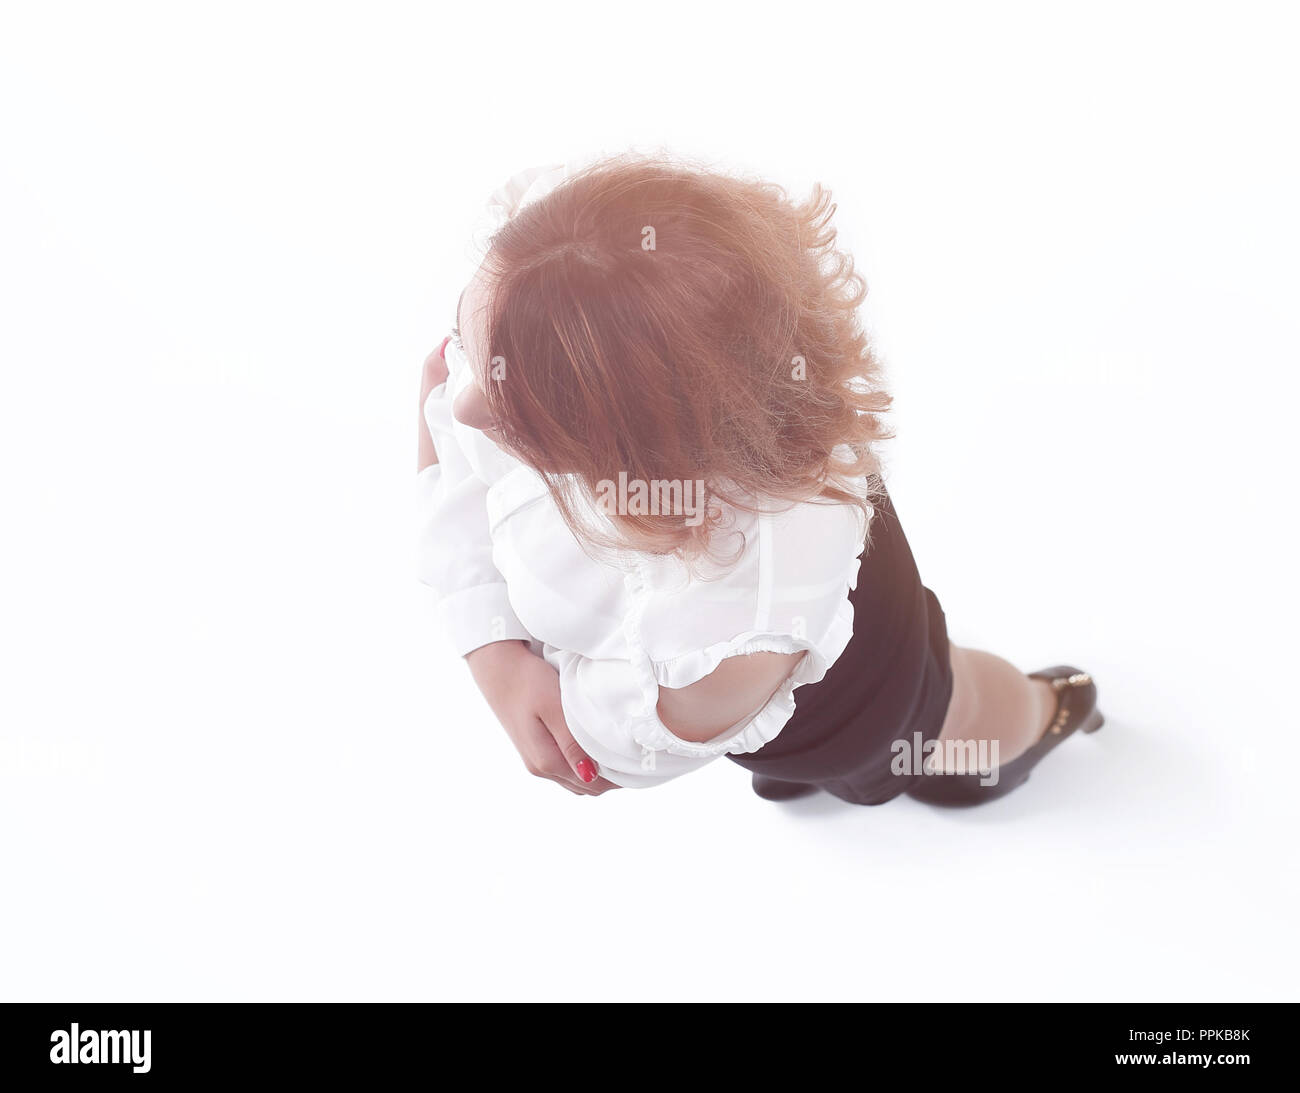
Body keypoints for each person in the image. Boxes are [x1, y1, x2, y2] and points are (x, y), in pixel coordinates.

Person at [415, 153, 1102, 806]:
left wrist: (495, 652)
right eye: (473, 336)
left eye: (533, 418)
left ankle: (1032, 719)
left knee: (945, 713)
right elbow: (444, 391)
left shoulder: (726, 633)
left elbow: (597, 756)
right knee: (780, 742)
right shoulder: (566, 259)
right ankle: (798, 755)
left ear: (648, 454)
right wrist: (489, 641)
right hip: (753, 676)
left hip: (860, 691)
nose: (461, 400)